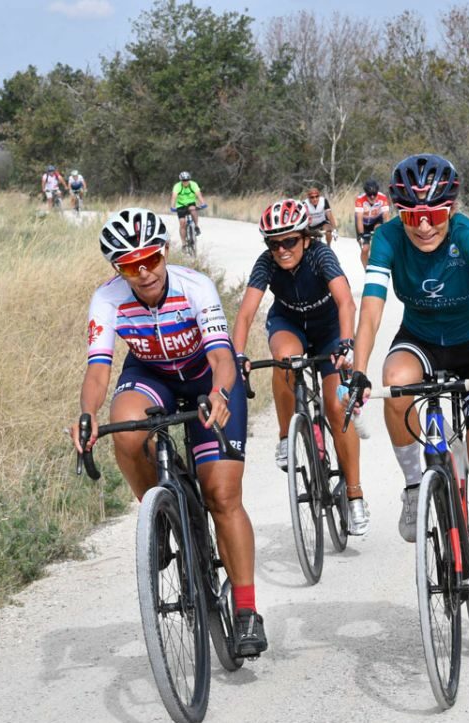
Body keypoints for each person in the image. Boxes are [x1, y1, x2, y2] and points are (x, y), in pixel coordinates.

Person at [344, 153, 469, 642]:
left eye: (435, 215)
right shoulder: (386, 238)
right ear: (397, 212)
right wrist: (357, 373)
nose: (424, 227)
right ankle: (412, 488)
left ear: (453, 208)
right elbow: (371, 312)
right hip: (421, 340)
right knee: (394, 387)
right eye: (412, 216)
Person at [69, 207, 266, 657]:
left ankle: (246, 609)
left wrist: (219, 393)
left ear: (164, 253)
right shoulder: (107, 299)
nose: (143, 272)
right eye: (129, 265)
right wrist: (88, 414)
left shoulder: (194, 287)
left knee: (221, 495)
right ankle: (158, 514)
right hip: (152, 373)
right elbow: (98, 369)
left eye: (151, 259)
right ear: (117, 269)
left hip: (206, 376)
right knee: (127, 434)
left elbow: (220, 355)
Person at [231, 199, 371, 535]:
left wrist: (347, 343)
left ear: (305, 238)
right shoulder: (266, 263)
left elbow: (345, 302)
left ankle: (354, 495)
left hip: (328, 330)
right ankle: (285, 436)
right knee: (286, 361)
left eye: (289, 241)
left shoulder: (321, 255)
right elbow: (246, 314)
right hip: (289, 323)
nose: (282, 250)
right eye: (274, 243)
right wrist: (236, 355)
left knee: (337, 408)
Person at [353, 178, 391, 268]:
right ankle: (366, 270)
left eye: (374, 194)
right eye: (370, 195)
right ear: (366, 193)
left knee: (378, 229)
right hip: (363, 224)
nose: (372, 197)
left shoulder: (383, 198)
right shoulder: (360, 200)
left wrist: (389, 230)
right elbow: (359, 219)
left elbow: (386, 216)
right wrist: (361, 235)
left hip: (376, 221)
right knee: (365, 249)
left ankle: (377, 255)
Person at [170, 171, 207, 240]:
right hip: (180, 205)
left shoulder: (193, 184)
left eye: (187, 180)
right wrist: (172, 206)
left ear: (189, 180)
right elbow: (174, 197)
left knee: (193, 210)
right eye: (184, 180)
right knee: (182, 223)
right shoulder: (177, 186)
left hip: (191, 203)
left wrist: (203, 203)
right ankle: (183, 244)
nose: (185, 182)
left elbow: (198, 195)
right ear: (181, 181)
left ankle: (196, 226)